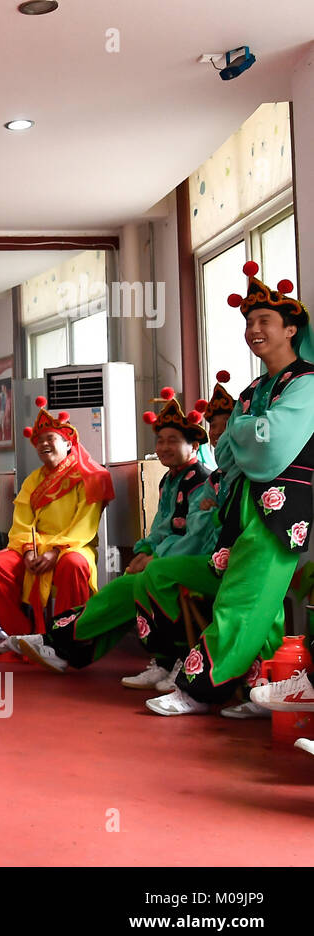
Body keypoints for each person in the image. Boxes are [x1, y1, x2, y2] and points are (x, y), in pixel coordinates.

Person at [146, 262, 314, 716]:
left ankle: (199, 690)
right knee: (263, 603)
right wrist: (247, 430)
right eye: (249, 322)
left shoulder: (307, 383)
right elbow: (228, 456)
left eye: (265, 322)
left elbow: (272, 447)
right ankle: (263, 685)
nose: (254, 330)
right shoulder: (253, 389)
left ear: (292, 328)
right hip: (241, 508)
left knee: (242, 596)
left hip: (280, 509)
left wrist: (244, 431)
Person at [12, 390, 219, 686]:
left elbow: (197, 537)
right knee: (122, 589)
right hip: (163, 562)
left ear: (194, 445)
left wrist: (156, 558)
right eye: (160, 440)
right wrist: (145, 549)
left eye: (173, 440)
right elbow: (160, 527)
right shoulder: (169, 479)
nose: (164, 447)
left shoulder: (203, 481)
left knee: (124, 590)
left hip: (190, 564)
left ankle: (62, 644)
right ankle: (64, 649)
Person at [0, 397, 113, 645]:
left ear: (67, 442)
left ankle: (65, 641)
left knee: (74, 565)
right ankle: (22, 636)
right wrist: (29, 550)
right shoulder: (33, 480)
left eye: (49, 438)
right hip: (33, 547)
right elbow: (21, 524)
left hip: (73, 546)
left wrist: (55, 551)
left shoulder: (88, 477)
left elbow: (84, 526)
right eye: (39, 441)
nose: (43, 444)